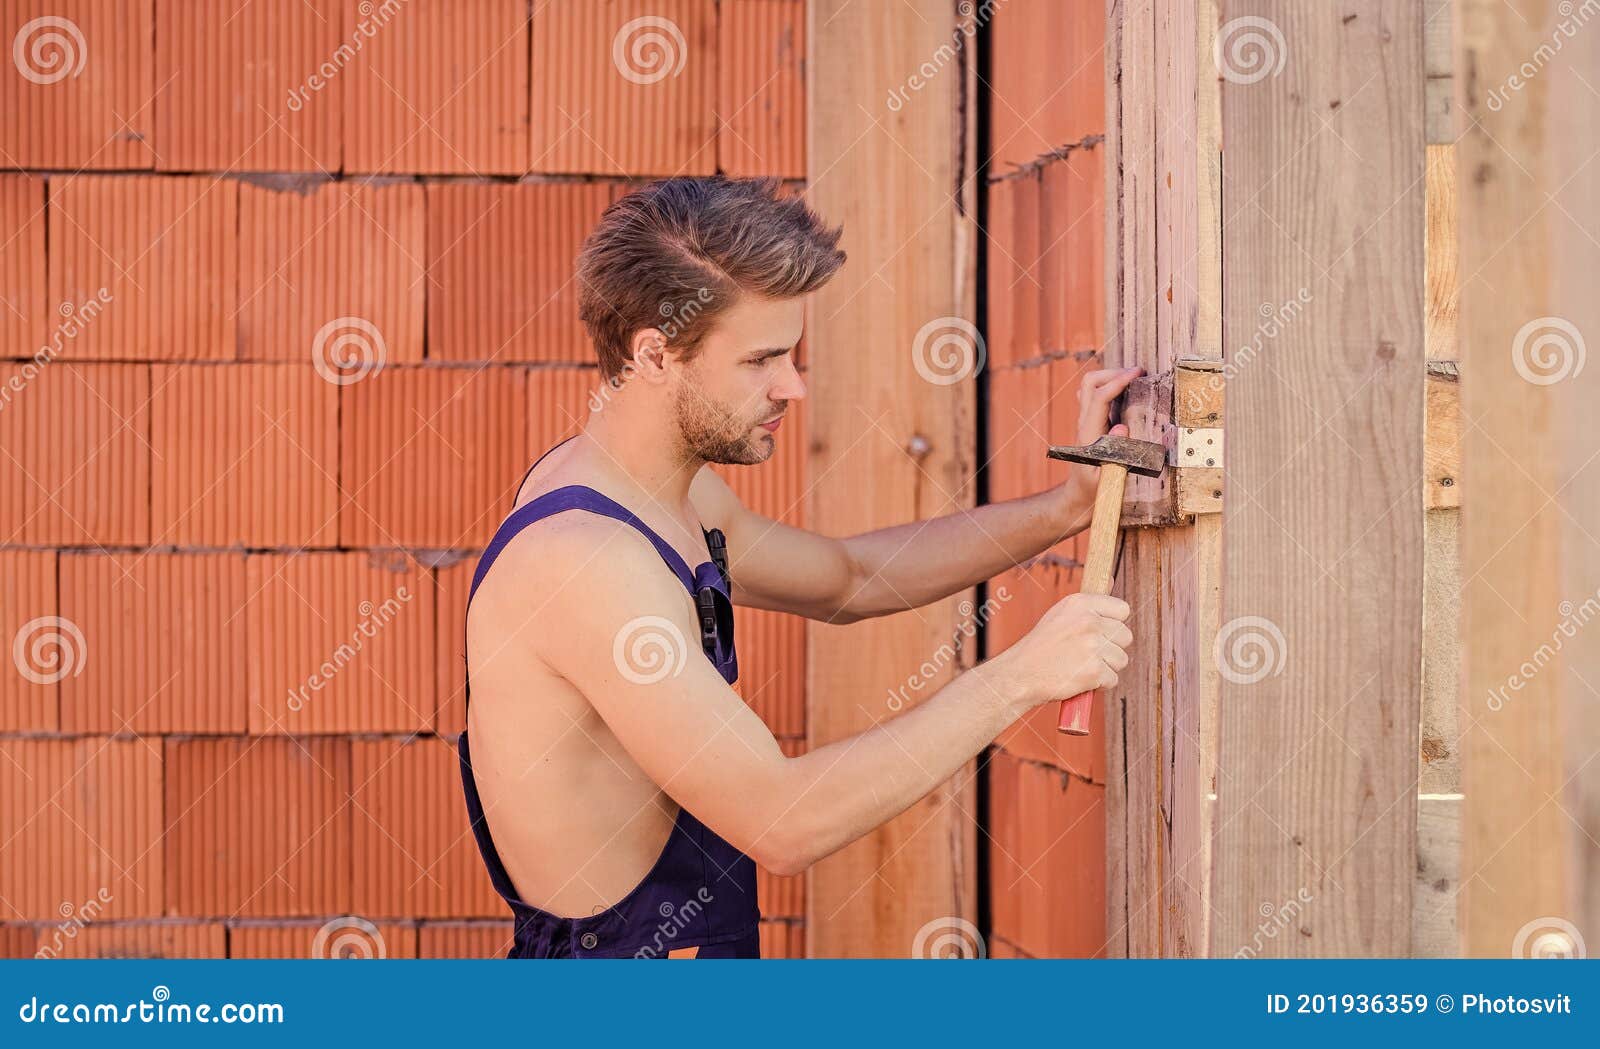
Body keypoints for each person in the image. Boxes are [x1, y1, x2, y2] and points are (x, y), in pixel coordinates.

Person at [457, 175, 1137, 958]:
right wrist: (1021, 674)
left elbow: (849, 578)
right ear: (654, 354)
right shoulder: (585, 561)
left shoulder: (665, 495)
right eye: (761, 359)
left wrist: (1066, 507)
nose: (794, 385)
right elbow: (784, 822)